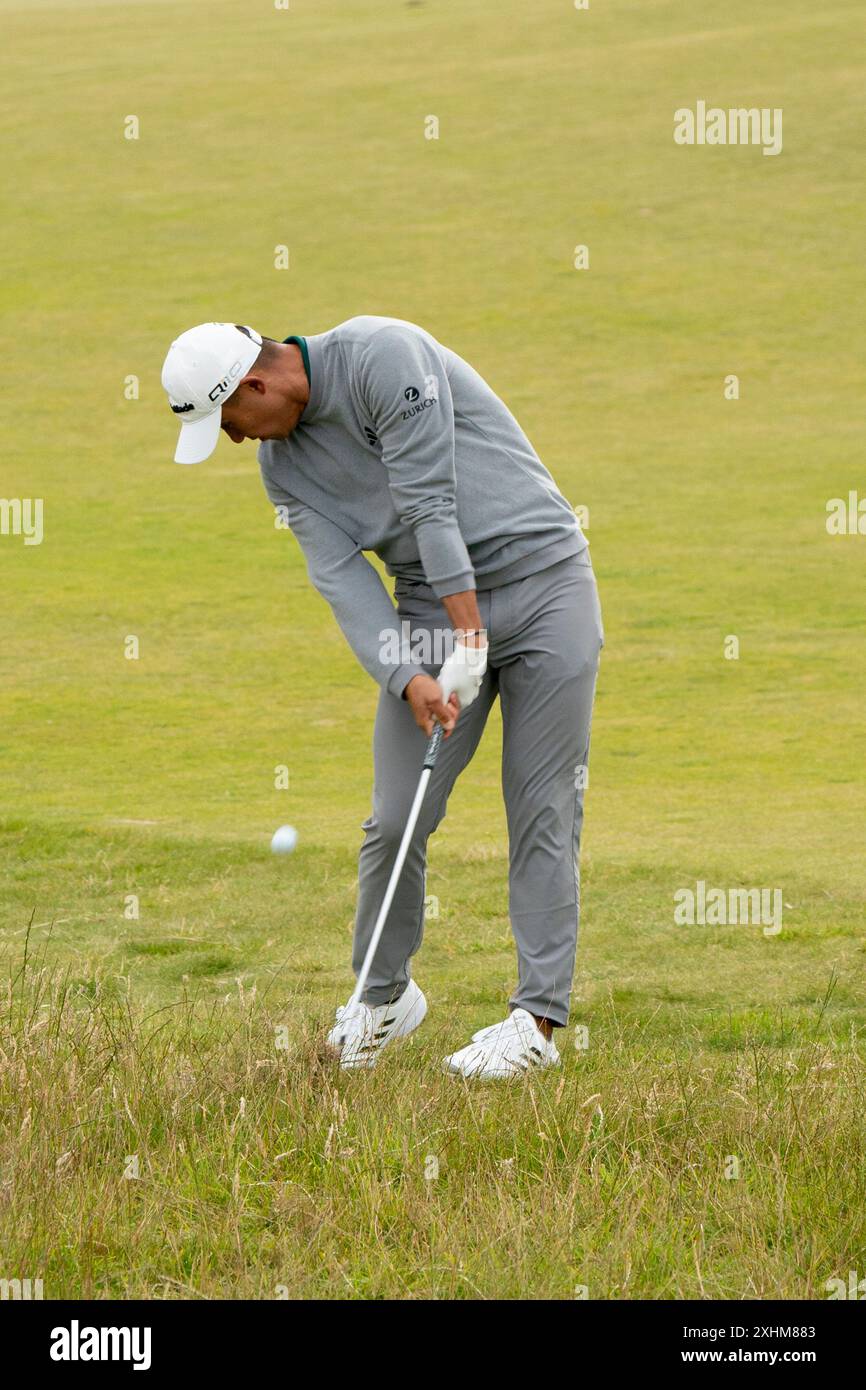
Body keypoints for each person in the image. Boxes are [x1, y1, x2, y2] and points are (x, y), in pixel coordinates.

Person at [161, 317, 603, 1078]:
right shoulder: (284, 471)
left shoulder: (382, 354)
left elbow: (430, 500)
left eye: (229, 422)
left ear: (256, 386)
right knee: (397, 816)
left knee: (542, 805)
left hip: (544, 581)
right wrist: (410, 676)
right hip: (431, 612)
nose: (236, 441)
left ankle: (535, 1020)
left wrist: (470, 640)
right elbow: (344, 583)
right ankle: (383, 999)